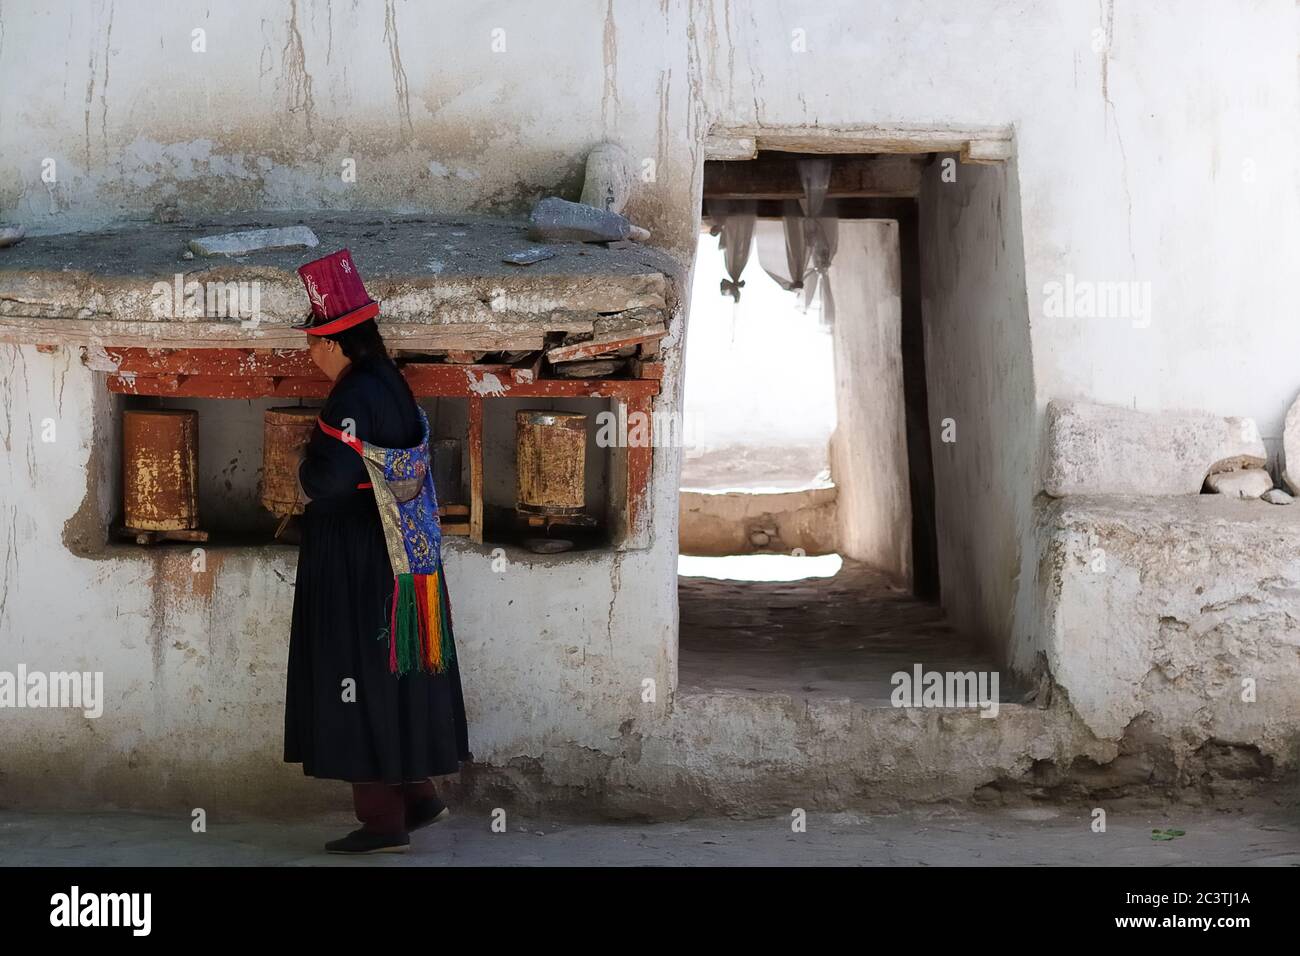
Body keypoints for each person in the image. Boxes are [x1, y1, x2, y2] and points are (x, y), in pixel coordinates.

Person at [283, 248, 470, 855]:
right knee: (395, 670)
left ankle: (382, 821)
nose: (311, 355)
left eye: (313, 342)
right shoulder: (389, 381)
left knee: (355, 674)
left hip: (357, 555)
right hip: (404, 555)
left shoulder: (349, 394)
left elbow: (331, 480)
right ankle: (419, 795)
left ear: (335, 342)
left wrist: (303, 471)